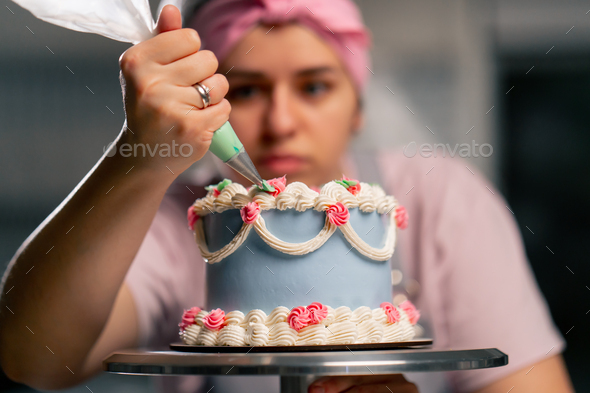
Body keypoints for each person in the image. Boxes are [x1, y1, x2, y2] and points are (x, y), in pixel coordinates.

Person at [0, 0, 575, 392]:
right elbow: (34, 358)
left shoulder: (442, 202)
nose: (281, 122)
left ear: (358, 107)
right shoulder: (189, 218)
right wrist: (140, 160)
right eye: (247, 89)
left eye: (315, 86)